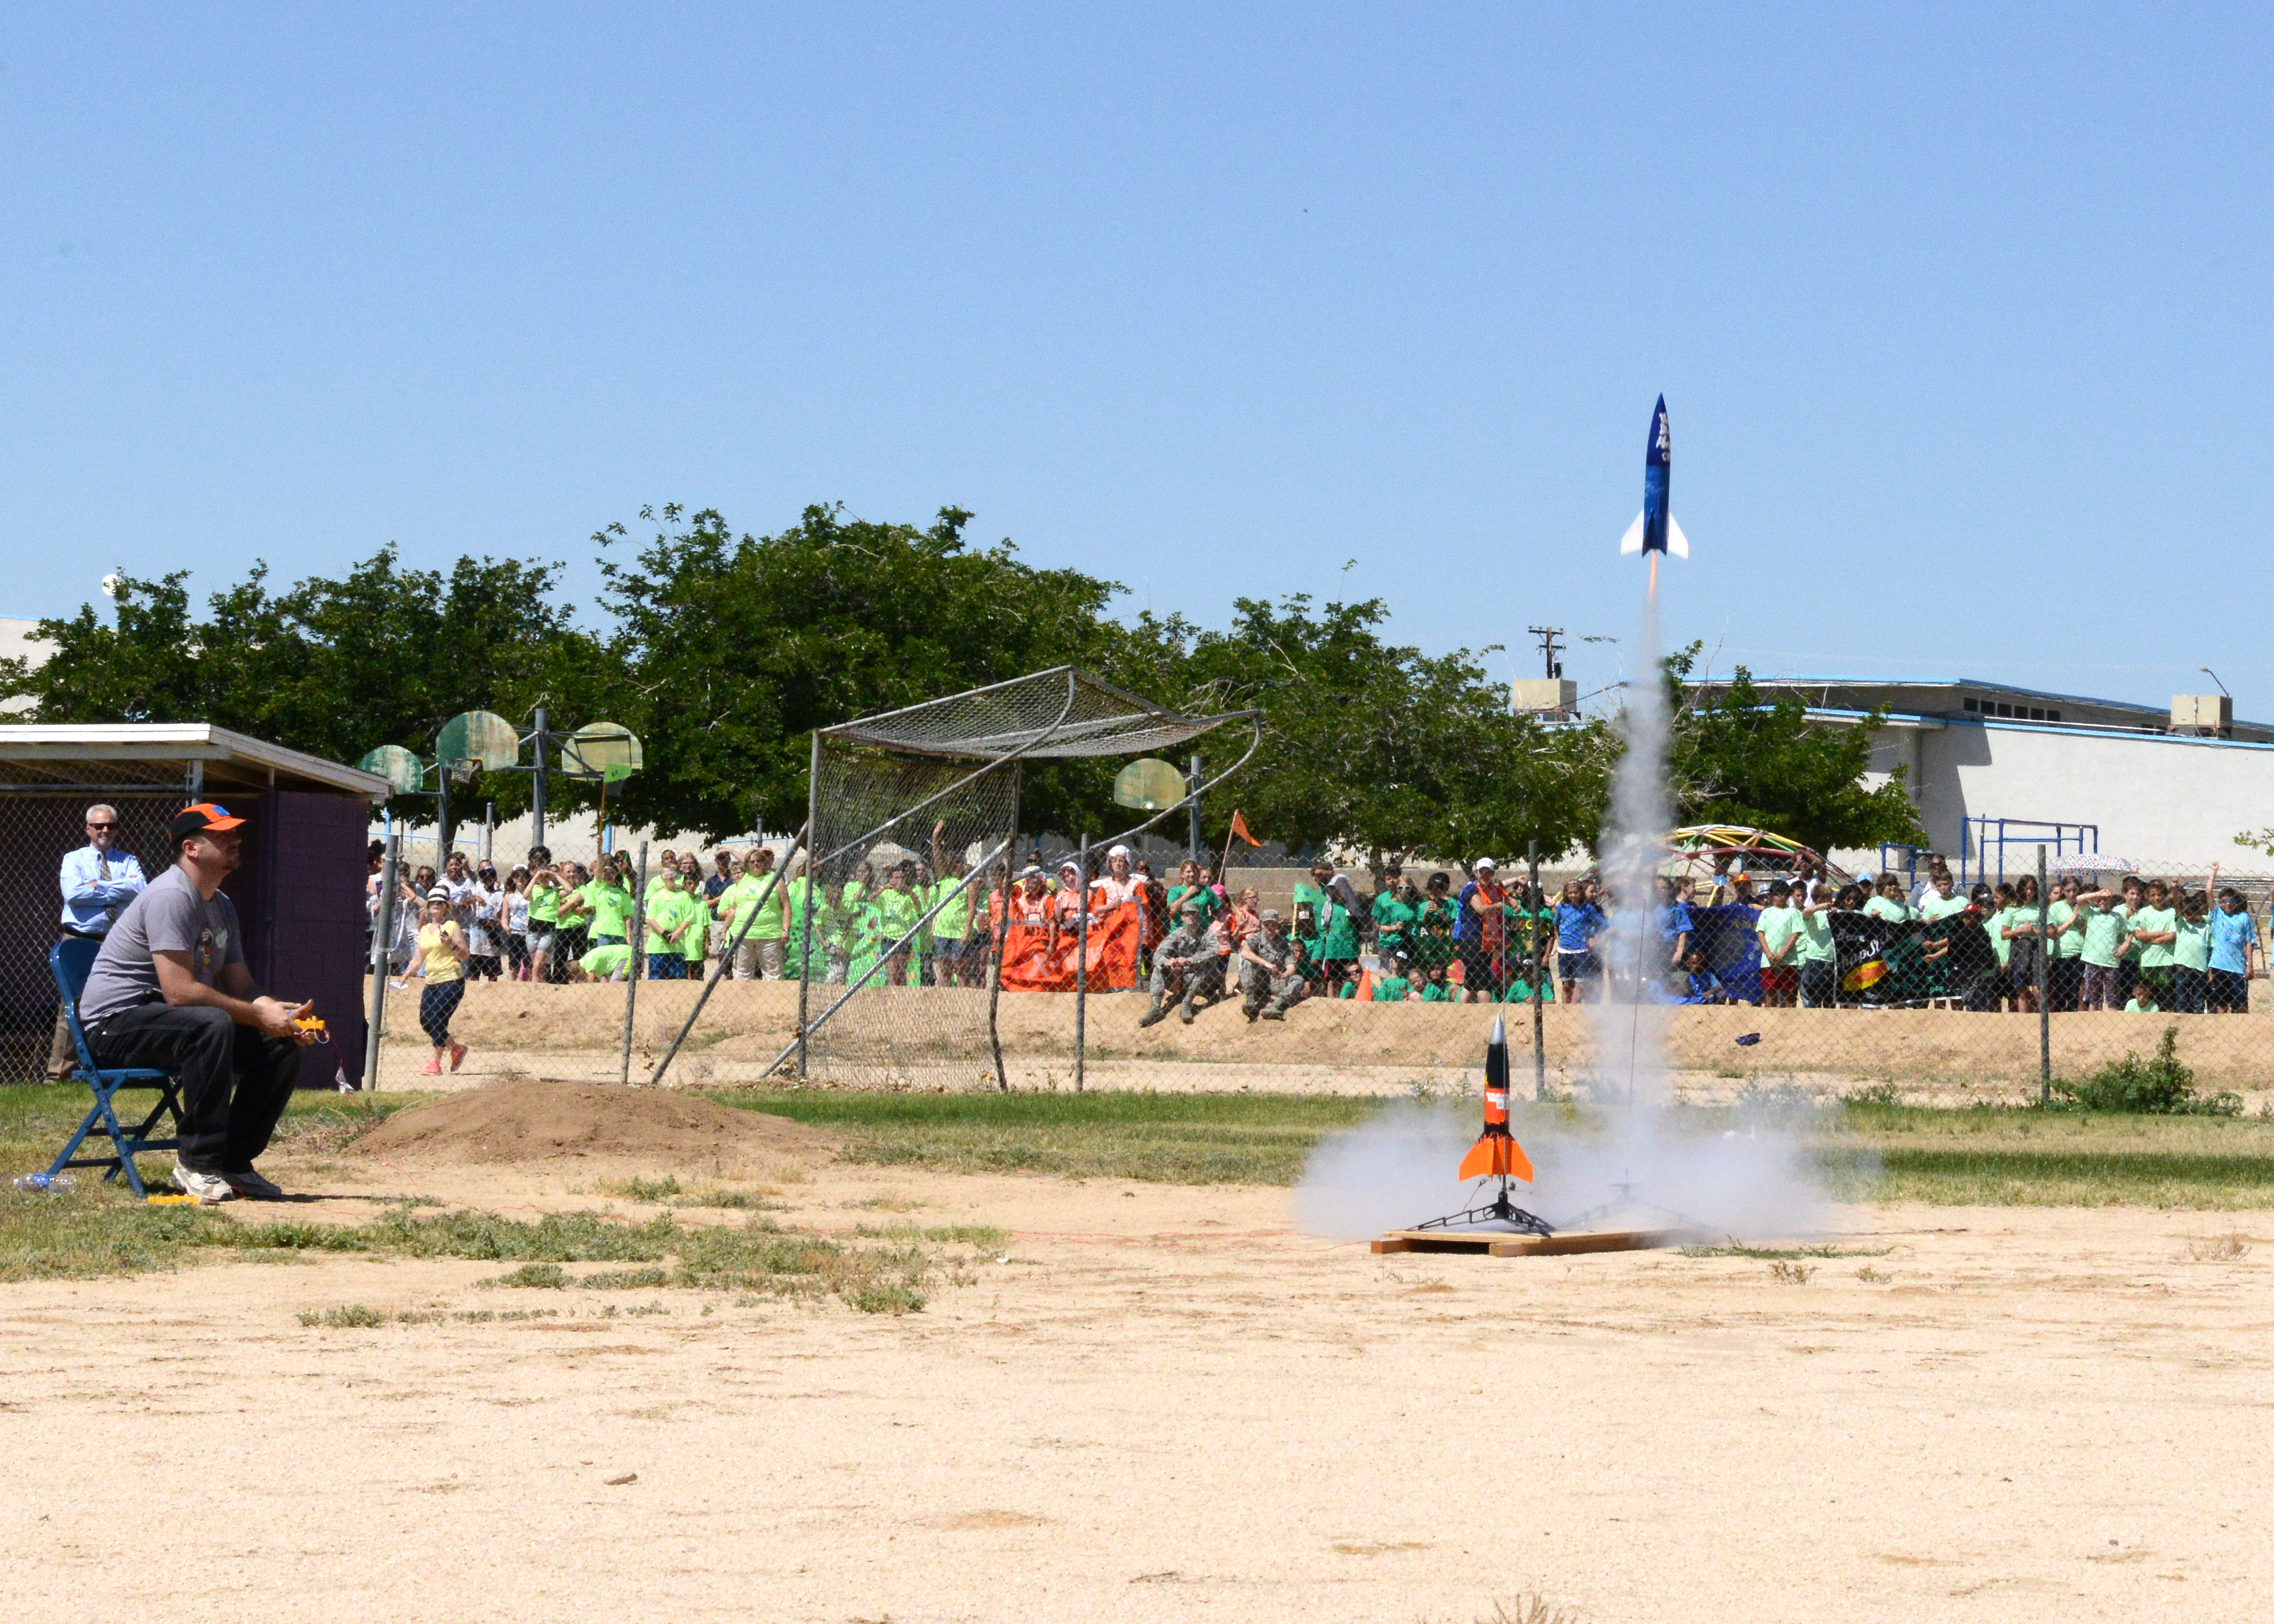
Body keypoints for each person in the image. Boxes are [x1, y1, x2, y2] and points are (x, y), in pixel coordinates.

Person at [74, 803, 318, 1202]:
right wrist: (256, 1015)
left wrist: (277, 1015)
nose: (236, 840)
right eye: (223, 836)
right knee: (210, 1023)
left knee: (279, 1044)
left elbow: (240, 983)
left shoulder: (220, 904)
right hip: (114, 1024)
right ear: (191, 848)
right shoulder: (172, 896)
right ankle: (196, 1165)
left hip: (170, 1020)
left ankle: (234, 1163)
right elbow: (180, 992)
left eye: (234, 834)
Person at [49, 801, 150, 1078]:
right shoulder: (74, 859)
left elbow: (139, 888)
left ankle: (112, 1071)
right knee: (73, 1005)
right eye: (99, 826)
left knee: (119, 1002)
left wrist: (97, 885)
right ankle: (58, 1075)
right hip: (79, 939)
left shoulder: (128, 860)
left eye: (110, 826)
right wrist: (119, 890)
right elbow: (74, 894)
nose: (105, 830)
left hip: (116, 941)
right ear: (88, 829)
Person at [1140, 900, 1224, 1027]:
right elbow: (1159, 953)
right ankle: (1156, 1007)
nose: (1191, 916)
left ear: (1199, 916)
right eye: (1187, 914)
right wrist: (1168, 962)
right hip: (1182, 978)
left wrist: (1190, 960)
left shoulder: (1207, 934)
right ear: (1183, 918)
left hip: (1205, 980)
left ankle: (1187, 1004)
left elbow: (1213, 952)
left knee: (1206, 966)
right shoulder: (1177, 934)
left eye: (1194, 914)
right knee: (1159, 967)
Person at [413, 886, 471, 1071]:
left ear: (446, 907)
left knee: (438, 1017)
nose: (436, 906)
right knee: (426, 1021)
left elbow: (465, 956)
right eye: (433, 903)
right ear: (428, 906)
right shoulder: (424, 930)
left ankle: (435, 1063)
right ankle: (456, 1048)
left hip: (451, 979)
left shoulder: (452, 927)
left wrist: (451, 944)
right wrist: (406, 975)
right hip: (432, 981)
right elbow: (417, 959)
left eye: (441, 903)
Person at [2206, 867, 2261, 1013]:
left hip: (2237, 967)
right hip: (2219, 965)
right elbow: (2208, 892)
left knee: (2241, 1004)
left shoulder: (2243, 918)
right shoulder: (2217, 914)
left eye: (2231, 900)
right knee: (2221, 1004)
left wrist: (2250, 965)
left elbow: (2249, 942)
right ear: (2220, 903)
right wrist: (2214, 872)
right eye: (2224, 901)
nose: (2228, 904)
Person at [1456, 859, 1511, 1000]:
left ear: (1492, 874)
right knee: (1483, 982)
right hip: (1472, 939)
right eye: (1482, 872)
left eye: (1488, 872)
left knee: (1471, 982)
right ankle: (1486, 1013)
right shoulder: (1472, 889)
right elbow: (1480, 909)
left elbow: (1502, 888)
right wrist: (1499, 905)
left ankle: (1464, 1012)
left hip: (1482, 939)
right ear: (1476, 873)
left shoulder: (1490, 889)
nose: (1484, 875)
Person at [1238, 909, 1306, 1022]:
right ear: (1262, 925)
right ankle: (1250, 1003)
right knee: (1248, 963)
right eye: (1267, 924)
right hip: (1259, 979)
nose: (1270, 927)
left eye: (1273, 924)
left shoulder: (1285, 944)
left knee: (1298, 979)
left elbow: (1291, 967)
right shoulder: (1256, 938)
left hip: (1276, 980)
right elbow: (1245, 952)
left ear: (1278, 925)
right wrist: (1266, 964)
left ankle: (1276, 1006)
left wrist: (1283, 975)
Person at [2127, 878, 2179, 1012]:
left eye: (2160, 894)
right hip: (2147, 962)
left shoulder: (2171, 912)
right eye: (2153, 895)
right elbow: (2139, 936)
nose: (2157, 898)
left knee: (2167, 999)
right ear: (2148, 896)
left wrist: (2149, 937)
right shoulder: (2144, 912)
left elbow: (2172, 935)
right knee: (2149, 999)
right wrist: (2161, 934)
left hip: (2166, 961)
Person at [2074, 884, 2127, 1010]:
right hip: (2093, 961)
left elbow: (2131, 931)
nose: (2103, 901)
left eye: (2106, 899)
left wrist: (2124, 946)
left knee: (2112, 999)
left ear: (2112, 901)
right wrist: (2098, 894)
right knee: (2094, 999)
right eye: (2101, 900)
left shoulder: (2117, 917)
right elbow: (2079, 899)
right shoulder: (2091, 913)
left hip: (2111, 962)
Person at [1553, 878, 1605, 1005]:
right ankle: (1566, 1009)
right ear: (1566, 894)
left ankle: (1575, 1007)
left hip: (1580, 950)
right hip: (1565, 950)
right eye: (1570, 893)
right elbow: (1556, 924)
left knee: (1581, 983)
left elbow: (1602, 923)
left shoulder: (1587, 909)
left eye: (1576, 893)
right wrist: (1559, 938)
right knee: (1567, 984)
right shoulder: (1562, 908)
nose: (1573, 896)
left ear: (1580, 893)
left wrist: (1595, 937)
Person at [1755, 880, 1802, 1008]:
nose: (1781, 897)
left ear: (1788, 896)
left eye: (1784, 894)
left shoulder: (1793, 912)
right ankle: (1770, 1017)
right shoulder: (1766, 913)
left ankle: (1789, 1019)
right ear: (1772, 896)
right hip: (1769, 960)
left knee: (1789, 992)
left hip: (1789, 960)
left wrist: (1782, 954)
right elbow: (1761, 934)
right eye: (1777, 894)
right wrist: (1769, 954)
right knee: (1770, 991)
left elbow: (1796, 934)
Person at [502, 866, 533, 980]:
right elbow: (504, 916)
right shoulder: (509, 896)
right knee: (513, 965)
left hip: (528, 933)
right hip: (514, 933)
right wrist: (505, 926)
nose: (520, 879)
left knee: (529, 964)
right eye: (517, 876)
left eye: (523, 876)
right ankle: (511, 985)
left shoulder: (531, 895)